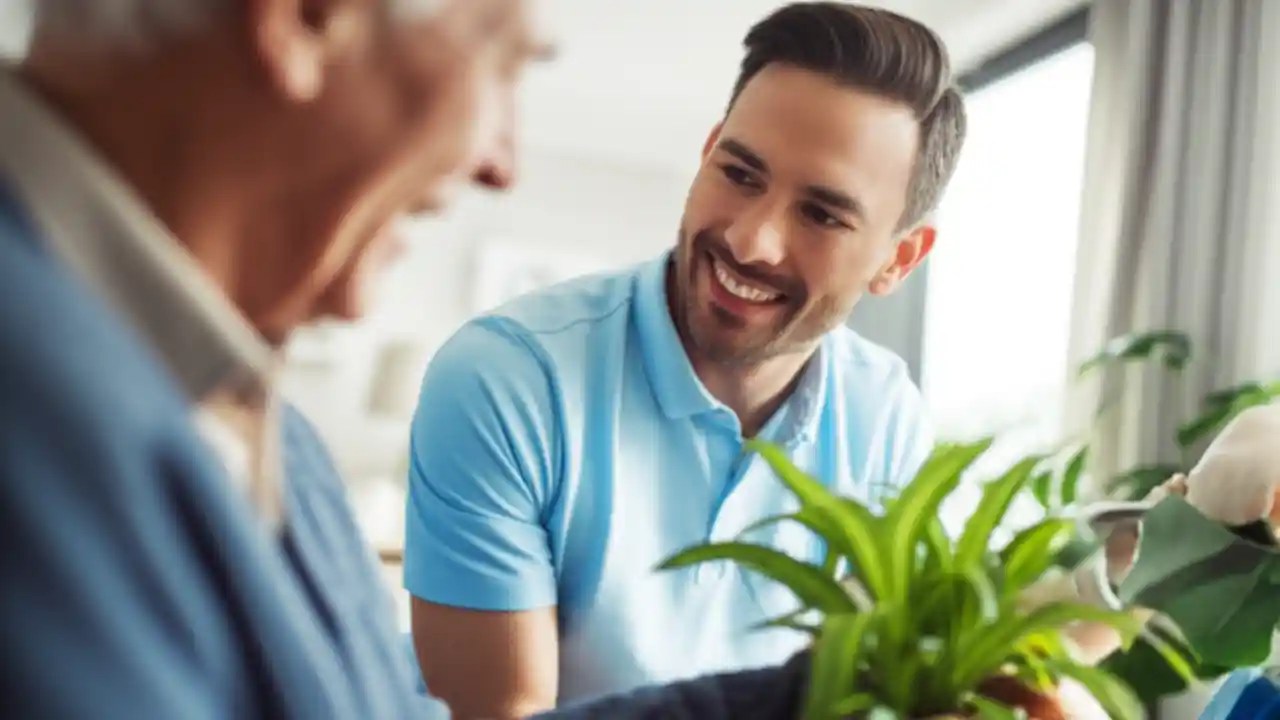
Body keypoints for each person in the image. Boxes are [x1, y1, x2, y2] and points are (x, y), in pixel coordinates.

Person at [0, 1, 809, 718]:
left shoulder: (273, 436)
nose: (503, 163)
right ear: (308, 18)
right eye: (500, 63)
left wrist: (794, 700)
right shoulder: (35, 414)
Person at [403, 3, 968, 717]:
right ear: (706, 156)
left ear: (897, 259)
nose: (753, 240)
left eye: (821, 214)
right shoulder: (506, 379)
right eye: (740, 173)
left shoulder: (884, 413)